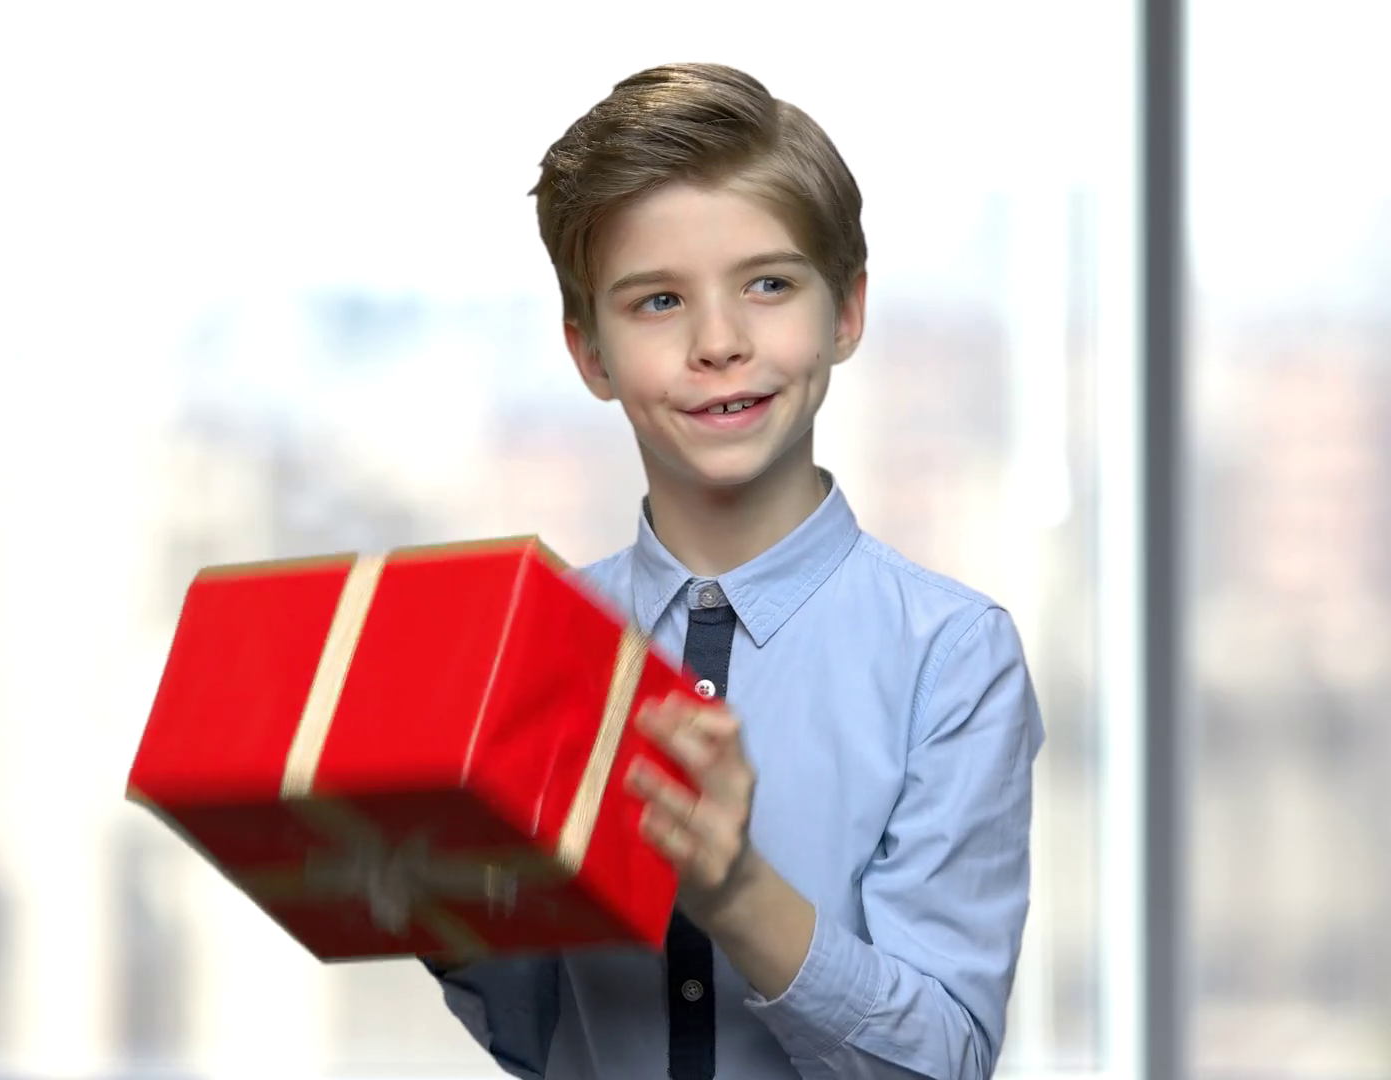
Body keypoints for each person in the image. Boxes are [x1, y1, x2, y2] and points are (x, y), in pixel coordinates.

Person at [424, 62, 1045, 1080]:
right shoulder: (535, 640)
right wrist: (426, 886)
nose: (720, 342)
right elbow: (535, 1031)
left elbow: (944, 1062)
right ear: (591, 354)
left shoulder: (952, 657)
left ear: (845, 312)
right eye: (659, 300)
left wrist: (735, 891)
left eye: (768, 284)